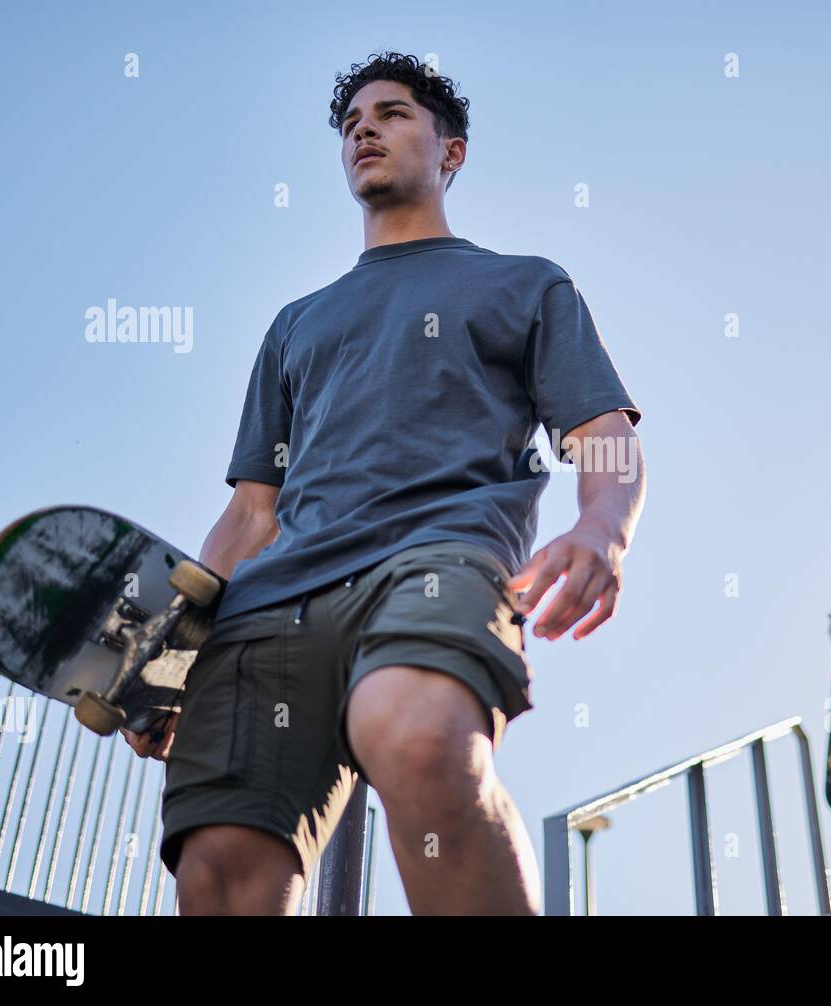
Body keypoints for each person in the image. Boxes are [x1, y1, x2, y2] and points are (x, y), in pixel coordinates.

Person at [121, 52, 646, 915]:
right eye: (352, 121)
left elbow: (602, 434)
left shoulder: (526, 283)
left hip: (434, 565)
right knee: (220, 870)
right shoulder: (295, 324)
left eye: (393, 113)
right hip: (267, 610)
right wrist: (170, 658)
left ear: (453, 152)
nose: (365, 128)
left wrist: (602, 531)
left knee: (419, 740)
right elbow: (252, 513)